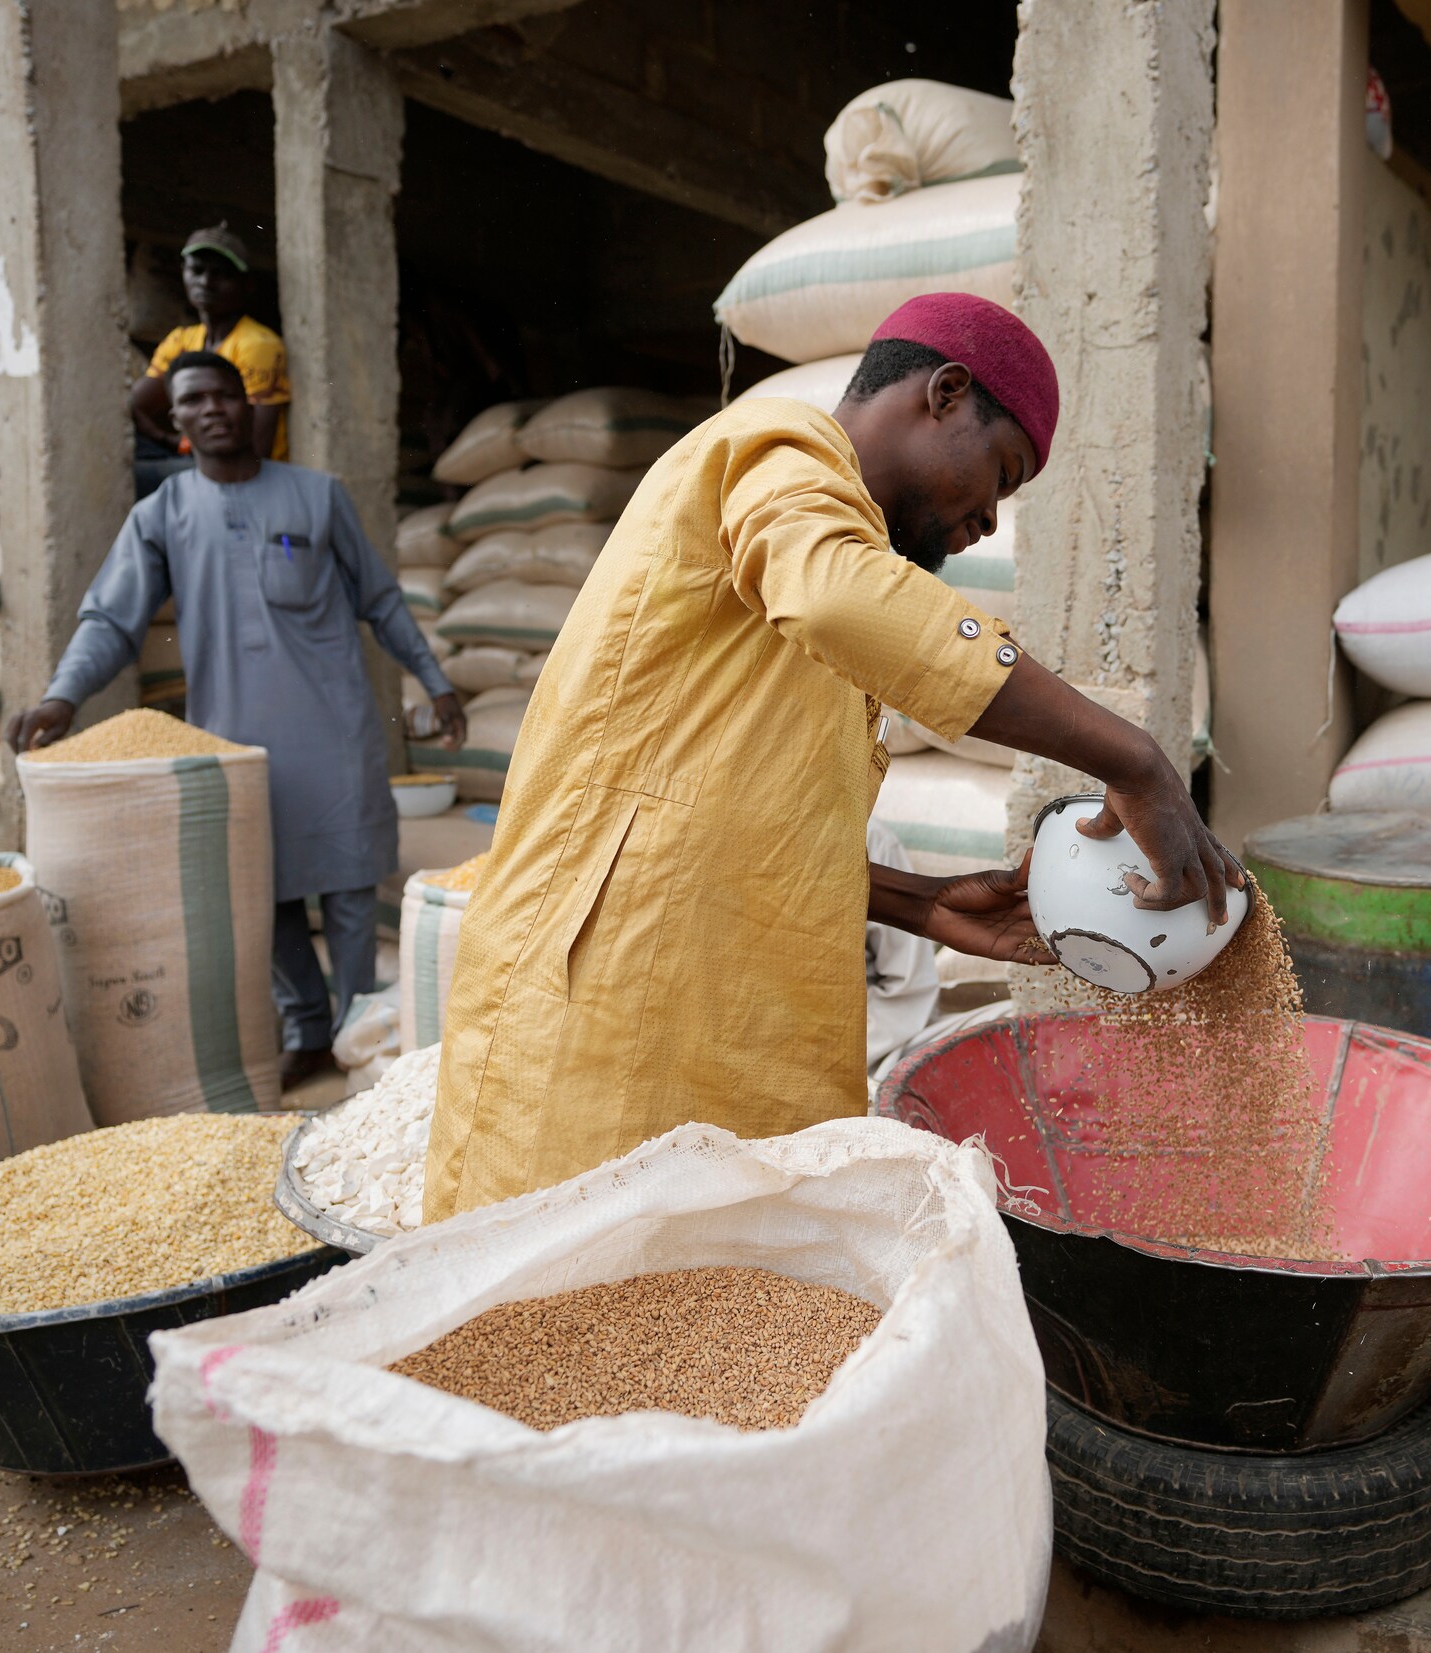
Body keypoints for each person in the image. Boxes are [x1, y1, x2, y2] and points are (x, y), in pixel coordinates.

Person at [423, 293, 1243, 1222]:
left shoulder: (827, 551)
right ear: (944, 392)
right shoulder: (777, 455)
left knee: (708, 1315)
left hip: (698, 1010)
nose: (985, 523)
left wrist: (918, 902)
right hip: (598, 1016)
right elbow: (832, 599)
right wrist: (1135, 761)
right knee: (555, 1312)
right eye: (999, 475)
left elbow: (729, 813)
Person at [3, 350, 466, 1088]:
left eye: (225, 394)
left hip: (335, 732)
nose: (213, 408)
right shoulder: (162, 515)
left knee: (349, 898)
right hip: (236, 745)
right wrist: (63, 695)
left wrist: (436, 682)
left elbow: (380, 600)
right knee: (268, 900)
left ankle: (364, 1049)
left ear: (249, 404)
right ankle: (311, 1033)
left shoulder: (318, 497)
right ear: (177, 422)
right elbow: (109, 620)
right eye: (194, 401)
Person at [0, 224, 287, 575]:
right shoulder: (184, 339)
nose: (206, 282)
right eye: (197, 270)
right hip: (188, 456)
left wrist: (170, 437)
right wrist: (165, 435)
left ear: (246, 286)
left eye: (221, 274)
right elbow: (133, 408)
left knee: (85, 472)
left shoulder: (255, 346)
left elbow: (255, 452)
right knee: (60, 452)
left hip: (229, 474)